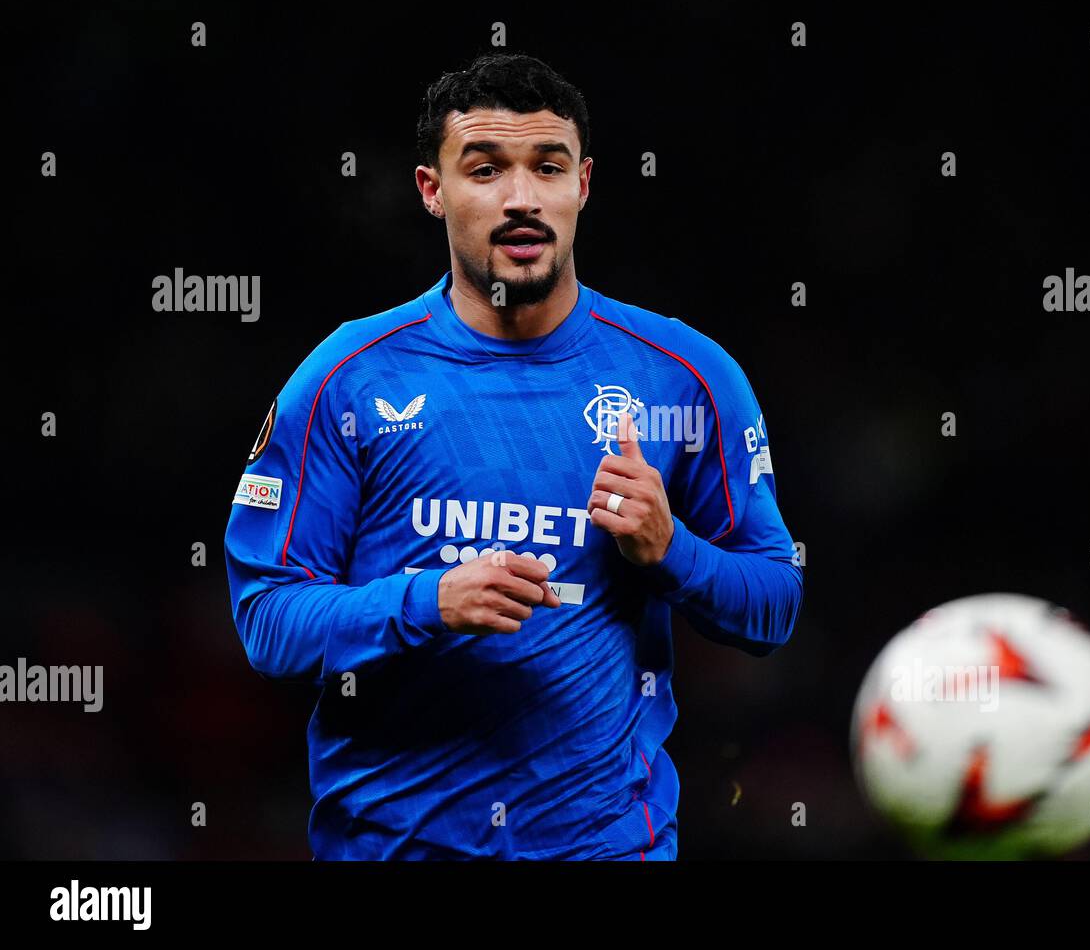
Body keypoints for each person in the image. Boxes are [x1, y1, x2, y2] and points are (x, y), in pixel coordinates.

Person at [224, 51, 803, 859]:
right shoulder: (346, 379)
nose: (522, 198)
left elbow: (774, 600)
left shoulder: (687, 377)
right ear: (433, 190)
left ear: (585, 185)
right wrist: (426, 601)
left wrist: (672, 549)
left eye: (549, 167)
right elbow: (267, 623)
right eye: (486, 169)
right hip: (393, 847)